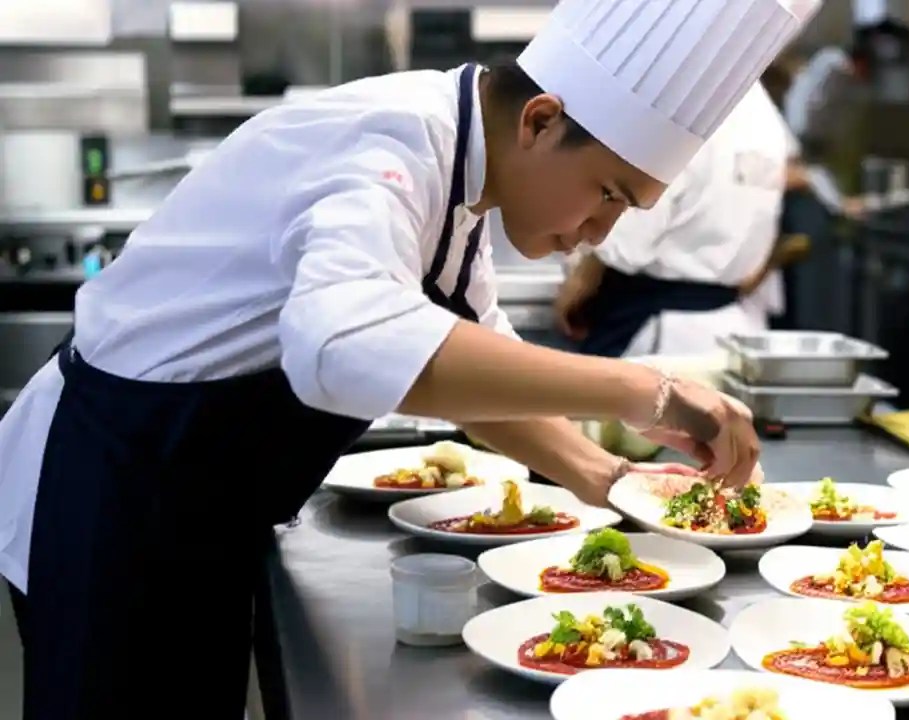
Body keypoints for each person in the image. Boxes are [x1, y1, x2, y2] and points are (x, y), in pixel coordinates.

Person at [0, 0, 818, 716]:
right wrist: (647, 390)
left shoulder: (466, 186)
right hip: (110, 491)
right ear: (540, 120)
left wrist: (609, 479)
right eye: (606, 192)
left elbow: (481, 375)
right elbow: (342, 345)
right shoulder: (393, 139)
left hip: (199, 506)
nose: (600, 234)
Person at [555, 81, 795, 357]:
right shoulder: (762, 112)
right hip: (736, 326)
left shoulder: (689, 106)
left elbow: (633, 230)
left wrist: (578, 284)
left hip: (665, 333)